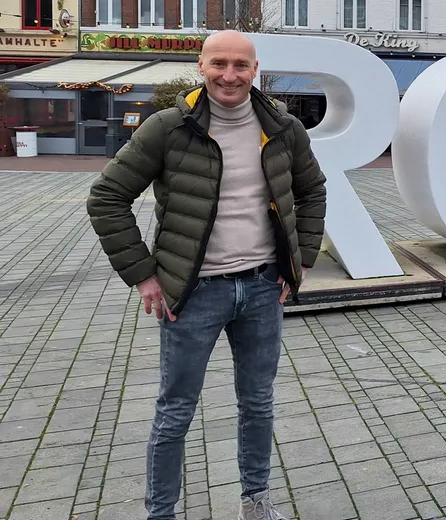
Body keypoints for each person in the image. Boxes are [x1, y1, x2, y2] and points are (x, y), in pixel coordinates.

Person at [87, 30, 327, 520]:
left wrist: (297, 263)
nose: (229, 75)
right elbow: (107, 198)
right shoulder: (168, 128)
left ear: (255, 70)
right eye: (219, 63)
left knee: (258, 403)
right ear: (201, 66)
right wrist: (143, 275)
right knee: (176, 411)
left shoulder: (282, 127)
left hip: (262, 288)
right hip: (193, 293)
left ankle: (256, 503)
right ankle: (161, 513)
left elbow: (313, 191)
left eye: (241, 65)